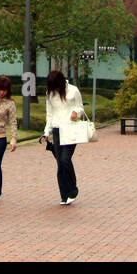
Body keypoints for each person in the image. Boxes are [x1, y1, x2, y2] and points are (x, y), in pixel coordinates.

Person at [44, 69, 85, 205]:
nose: (55, 89)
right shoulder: (50, 94)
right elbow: (49, 114)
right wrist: (46, 132)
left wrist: (75, 112)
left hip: (71, 130)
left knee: (65, 159)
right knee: (59, 164)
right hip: (57, 130)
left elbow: (81, 108)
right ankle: (64, 195)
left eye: (56, 86)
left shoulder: (73, 91)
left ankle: (72, 190)